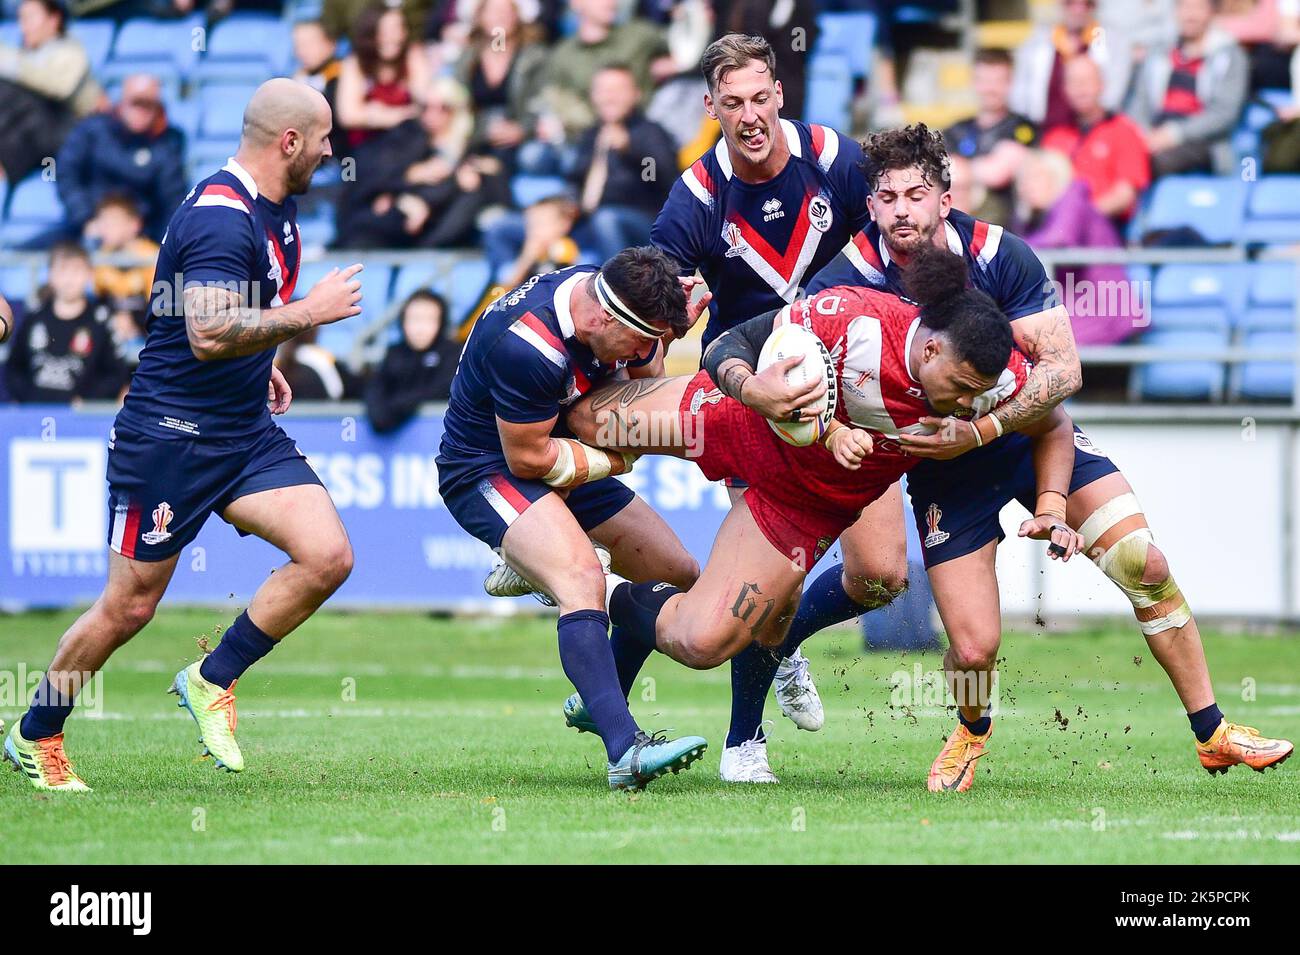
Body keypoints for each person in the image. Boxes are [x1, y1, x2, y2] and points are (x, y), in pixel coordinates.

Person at [761, 125, 1293, 791]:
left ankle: (1213, 732)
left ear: (945, 199)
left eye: (916, 193)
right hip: (940, 468)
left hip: (1030, 433)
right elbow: (807, 370)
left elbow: (1062, 371)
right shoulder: (847, 280)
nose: (902, 209)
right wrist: (830, 426)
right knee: (976, 646)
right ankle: (971, 728)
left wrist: (994, 445)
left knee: (1143, 562)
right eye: (888, 196)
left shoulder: (999, 254)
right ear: (870, 206)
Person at [553, 247, 1082, 787]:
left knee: (701, 643)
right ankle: (523, 532)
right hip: (734, 418)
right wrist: (755, 389)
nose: (969, 402)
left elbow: (1054, 427)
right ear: (930, 347)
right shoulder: (854, 318)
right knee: (587, 421)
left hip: (801, 506)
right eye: (962, 388)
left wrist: (1050, 507)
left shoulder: (997, 378)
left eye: (979, 394)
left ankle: (589, 586)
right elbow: (728, 346)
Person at [3, 79, 363, 793]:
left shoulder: (279, 210)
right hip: (169, 438)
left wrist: (263, 365)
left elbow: (234, 319)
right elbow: (205, 330)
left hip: (242, 432)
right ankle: (36, 730)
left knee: (327, 555)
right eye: (322, 138)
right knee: (129, 606)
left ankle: (211, 676)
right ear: (287, 141)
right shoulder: (220, 217)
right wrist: (306, 312)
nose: (331, 151)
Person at [649, 32, 874, 781]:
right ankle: (744, 744)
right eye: (732, 103)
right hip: (750, 397)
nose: (749, 116)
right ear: (711, 107)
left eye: (759, 98)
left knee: (882, 573)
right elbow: (659, 302)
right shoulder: (697, 196)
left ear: (780, 93)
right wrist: (681, 309)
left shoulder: (836, 161)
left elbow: (891, 242)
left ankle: (785, 647)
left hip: (852, 387)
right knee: (766, 590)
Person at [435, 247, 712, 790]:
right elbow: (529, 459)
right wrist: (625, 456)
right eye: (639, 338)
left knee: (675, 571)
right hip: (490, 471)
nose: (643, 350)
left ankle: (599, 695)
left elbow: (641, 374)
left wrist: (662, 342)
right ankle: (624, 751)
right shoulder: (529, 345)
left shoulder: (610, 302)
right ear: (598, 319)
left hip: (560, 448)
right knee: (583, 578)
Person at [340, 77, 506, 249]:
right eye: (425, 107)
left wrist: (431, 196)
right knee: (361, 228)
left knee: (472, 193)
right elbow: (372, 180)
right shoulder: (410, 139)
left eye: (443, 108)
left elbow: (498, 197)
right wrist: (407, 186)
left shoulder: (474, 148)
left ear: (458, 111)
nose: (431, 114)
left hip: (438, 231)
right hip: (395, 223)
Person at [56, 74, 187, 243]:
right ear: (123, 102)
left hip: (142, 238)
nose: (141, 111)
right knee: (27, 255)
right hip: (86, 229)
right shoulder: (93, 130)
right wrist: (86, 219)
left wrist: (156, 245)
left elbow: (173, 202)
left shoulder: (168, 144)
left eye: (148, 105)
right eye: (136, 103)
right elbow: (67, 173)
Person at [1124, 0, 1249, 176]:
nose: (1190, 16)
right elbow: (1139, 104)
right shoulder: (1159, 53)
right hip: (1154, 133)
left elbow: (1223, 115)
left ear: (1212, 13)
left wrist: (1174, 134)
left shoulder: (1230, 56)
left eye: (1198, 8)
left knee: (1154, 161)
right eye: (1185, 7)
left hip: (1201, 140)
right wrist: (1143, 135)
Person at [570, 64, 679, 263]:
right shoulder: (590, 135)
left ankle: (616, 289)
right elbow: (574, 181)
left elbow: (666, 181)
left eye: (618, 90)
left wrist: (631, 150)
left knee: (606, 219)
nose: (609, 97)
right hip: (587, 222)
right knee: (502, 228)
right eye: (603, 91)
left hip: (643, 223)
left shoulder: (650, 132)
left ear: (636, 95)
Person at [4, 241, 125, 404]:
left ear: (89, 275)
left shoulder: (100, 321)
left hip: (80, 419)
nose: (69, 279)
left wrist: (87, 400)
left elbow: (115, 373)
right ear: (50, 275)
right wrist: (28, 399)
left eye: (76, 271)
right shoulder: (34, 317)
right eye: (63, 271)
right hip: (33, 414)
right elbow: (14, 367)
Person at [0, 0, 103, 184]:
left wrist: (9, 62)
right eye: (20, 19)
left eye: (30, 18)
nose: (23, 27)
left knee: (11, 94)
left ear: (53, 19)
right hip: (31, 137)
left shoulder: (71, 52)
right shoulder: (25, 56)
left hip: (70, 135)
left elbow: (58, 86)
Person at [1041, 55, 1151, 224]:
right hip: (1059, 227)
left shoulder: (1124, 131)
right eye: (1074, 82)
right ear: (1064, 89)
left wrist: (1082, 217)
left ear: (1101, 84)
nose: (1080, 88)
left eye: (1087, 81)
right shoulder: (1055, 137)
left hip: (1104, 227)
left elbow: (1124, 196)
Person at [943, 48, 1038, 227]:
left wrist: (963, 169)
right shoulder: (955, 131)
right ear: (974, 82)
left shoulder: (1024, 128)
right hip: (960, 227)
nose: (990, 88)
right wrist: (983, 168)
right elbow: (943, 176)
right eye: (984, 80)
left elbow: (998, 174)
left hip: (1008, 229)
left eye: (998, 81)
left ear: (1011, 83)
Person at [1011, 0, 1130, 129]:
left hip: (1093, 133)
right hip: (1045, 131)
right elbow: (1020, 93)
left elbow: (1113, 95)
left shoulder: (1110, 42)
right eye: (1070, 3)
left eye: (1087, 4)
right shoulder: (1038, 42)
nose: (1078, 10)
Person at [335, 3, 432, 149]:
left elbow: (425, 102)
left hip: (406, 143)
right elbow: (348, 115)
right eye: (384, 30)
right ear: (371, 33)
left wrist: (375, 112)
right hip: (366, 147)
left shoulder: (413, 55)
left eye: (397, 28)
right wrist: (399, 115)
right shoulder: (356, 62)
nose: (391, 37)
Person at [365, 288, 461, 432]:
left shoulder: (454, 354)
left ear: (441, 322)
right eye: (414, 319)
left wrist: (400, 405)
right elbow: (375, 391)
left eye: (429, 319)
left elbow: (443, 389)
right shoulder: (394, 354)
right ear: (403, 321)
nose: (420, 328)